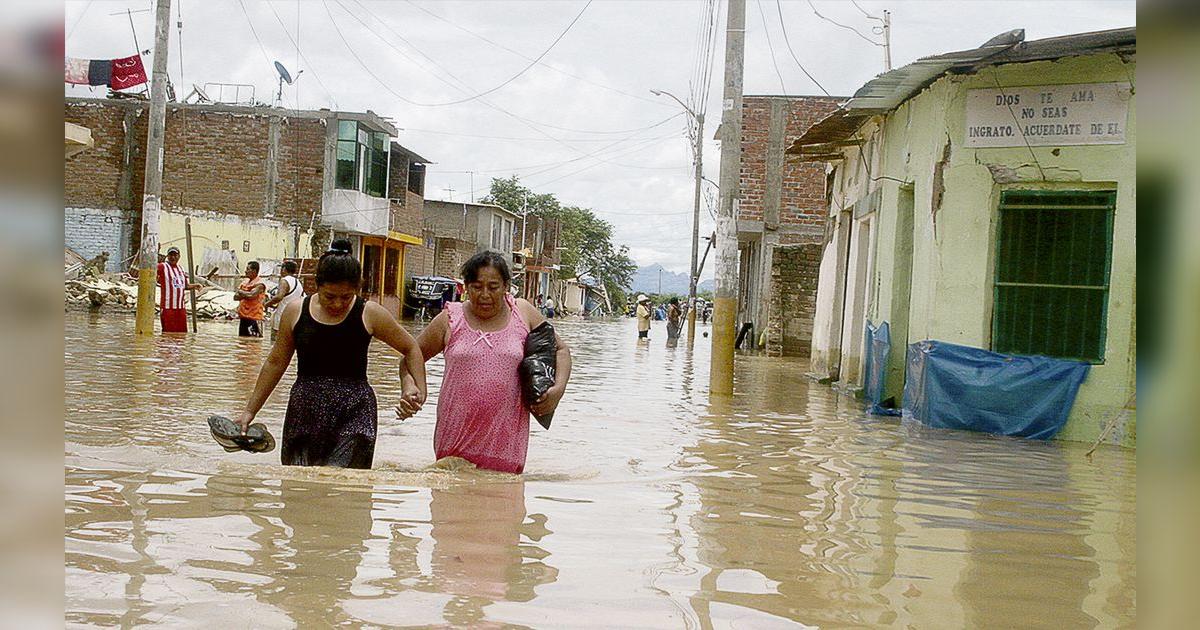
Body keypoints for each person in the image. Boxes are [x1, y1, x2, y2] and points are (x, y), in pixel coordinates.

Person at [234, 239, 427, 469]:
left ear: (358, 289)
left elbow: (411, 347)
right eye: (330, 296)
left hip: (355, 410)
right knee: (299, 486)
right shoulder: (296, 312)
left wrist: (419, 390)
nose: (337, 304)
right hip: (305, 409)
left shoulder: (370, 313)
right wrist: (249, 411)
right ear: (317, 286)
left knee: (345, 487)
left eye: (346, 297)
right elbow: (275, 363)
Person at [396, 251, 572, 474]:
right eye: (477, 287)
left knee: (505, 502)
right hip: (455, 437)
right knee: (449, 502)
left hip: (506, 441)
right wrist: (411, 387)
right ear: (466, 287)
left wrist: (558, 390)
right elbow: (410, 356)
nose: (485, 294)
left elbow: (561, 350)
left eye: (493, 286)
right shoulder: (451, 318)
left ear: (506, 286)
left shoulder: (523, 313)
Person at [157, 246, 201, 333]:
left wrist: (196, 285)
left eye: (175, 255)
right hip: (168, 308)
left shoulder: (181, 269)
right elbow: (150, 269)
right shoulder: (163, 267)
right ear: (167, 256)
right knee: (168, 334)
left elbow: (185, 286)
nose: (173, 257)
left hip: (180, 309)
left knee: (182, 334)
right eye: (171, 255)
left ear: (179, 256)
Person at [265, 260, 303, 341]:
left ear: (284, 269)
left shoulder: (284, 280)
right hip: (294, 318)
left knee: (275, 344)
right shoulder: (298, 283)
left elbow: (279, 297)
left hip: (281, 317)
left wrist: (266, 304)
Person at [234, 260, 267, 337]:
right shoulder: (245, 282)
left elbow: (251, 295)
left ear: (254, 271)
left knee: (253, 344)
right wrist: (246, 292)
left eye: (248, 269)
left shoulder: (260, 284)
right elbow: (235, 297)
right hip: (243, 317)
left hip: (254, 318)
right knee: (242, 342)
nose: (245, 271)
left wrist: (241, 292)